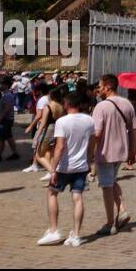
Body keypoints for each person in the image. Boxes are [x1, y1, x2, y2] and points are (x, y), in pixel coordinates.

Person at [38, 90, 95, 247]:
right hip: (81, 165)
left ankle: (54, 230)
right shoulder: (89, 120)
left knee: (52, 193)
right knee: (77, 197)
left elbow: (59, 147)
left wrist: (53, 169)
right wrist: (90, 162)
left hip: (64, 166)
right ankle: (76, 235)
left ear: (67, 104)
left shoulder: (62, 122)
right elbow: (91, 144)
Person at [91, 74, 136, 237]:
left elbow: (96, 133)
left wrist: (89, 151)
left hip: (105, 152)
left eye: (100, 86)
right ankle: (122, 211)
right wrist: (132, 150)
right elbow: (134, 129)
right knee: (112, 181)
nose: (98, 89)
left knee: (106, 186)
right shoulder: (127, 104)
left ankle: (110, 223)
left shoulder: (101, 107)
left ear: (108, 87)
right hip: (121, 150)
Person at [23, 81, 52, 174]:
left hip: (42, 126)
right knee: (39, 146)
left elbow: (39, 115)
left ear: (39, 90)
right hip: (47, 125)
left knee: (38, 145)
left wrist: (30, 126)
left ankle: (41, 166)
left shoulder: (42, 100)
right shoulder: (49, 98)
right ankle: (34, 164)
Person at [0, 75, 18, 162]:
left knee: (1, 138)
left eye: (1, 84)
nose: (0, 86)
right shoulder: (6, 94)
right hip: (7, 119)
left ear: (6, 85)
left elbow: (7, 108)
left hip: (5, 120)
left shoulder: (7, 95)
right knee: (8, 137)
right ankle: (15, 153)